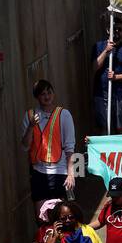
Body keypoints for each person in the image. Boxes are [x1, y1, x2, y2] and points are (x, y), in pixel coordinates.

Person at [21, 79, 76, 215]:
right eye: (42, 94)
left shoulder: (64, 115)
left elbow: (70, 147)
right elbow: (25, 146)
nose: (47, 96)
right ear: (37, 97)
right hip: (38, 172)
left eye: (49, 92)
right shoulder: (30, 116)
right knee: (42, 218)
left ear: (53, 93)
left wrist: (71, 173)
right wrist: (31, 126)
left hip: (59, 172)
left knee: (61, 215)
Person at [92, 18, 122, 133]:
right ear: (108, 30)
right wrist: (106, 51)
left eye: (119, 29)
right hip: (101, 93)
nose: (116, 31)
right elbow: (94, 67)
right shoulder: (98, 46)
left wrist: (116, 77)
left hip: (120, 94)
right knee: (104, 125)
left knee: (120, 125)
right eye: (114, 29)